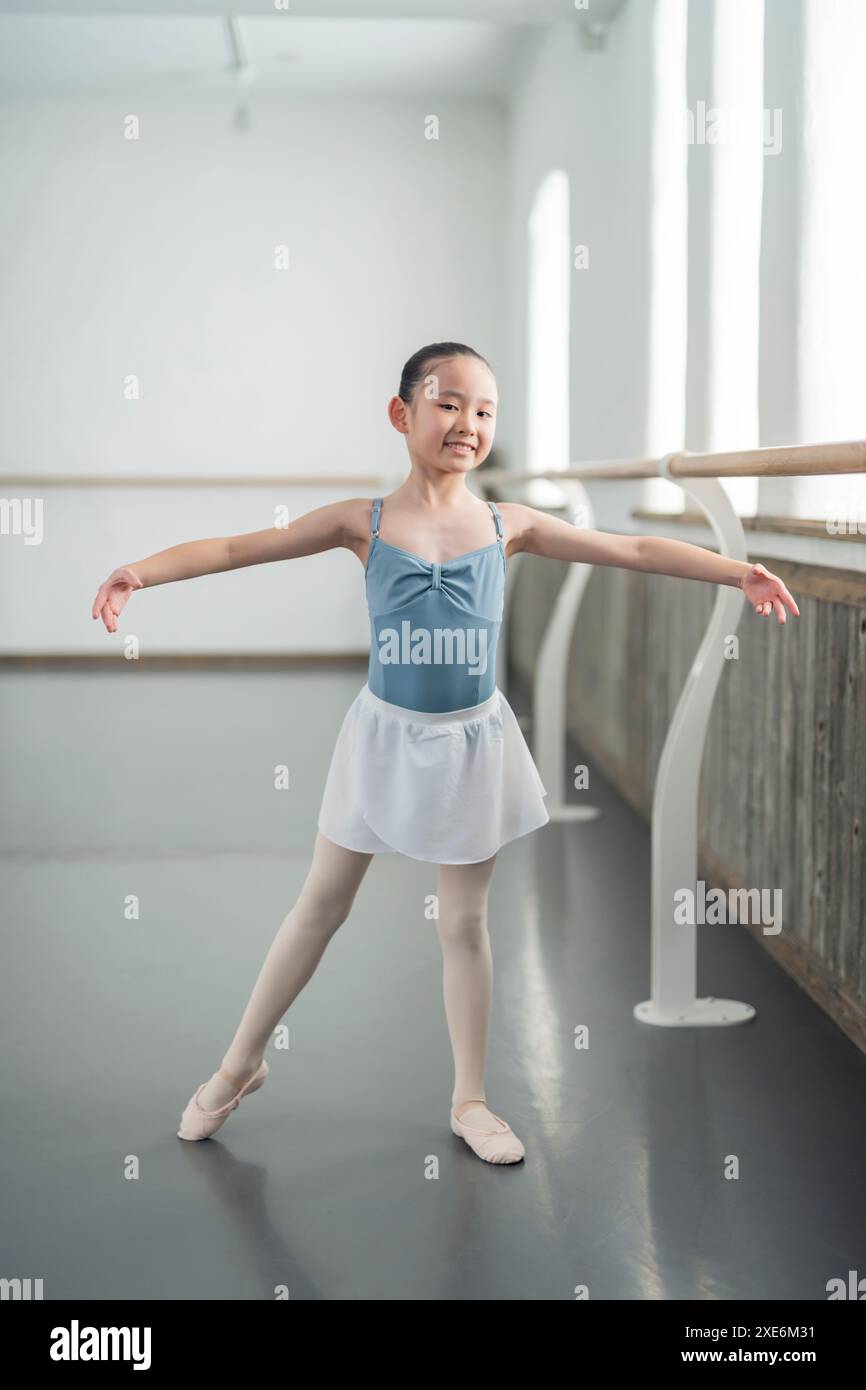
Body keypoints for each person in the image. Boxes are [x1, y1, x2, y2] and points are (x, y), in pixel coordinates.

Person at [90, 340, 800, 1165]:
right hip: (384, 736)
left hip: (472, 744)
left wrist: (733, 570)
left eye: (486, 410)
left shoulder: (511, 526)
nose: (468, 422)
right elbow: (236, 549)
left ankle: (471, 1099)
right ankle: (239, 1063)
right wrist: (138, 573)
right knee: (320, 906)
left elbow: (634, 550)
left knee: (464, 922)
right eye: (449, 402)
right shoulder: (364, 521)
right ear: (404, 414)